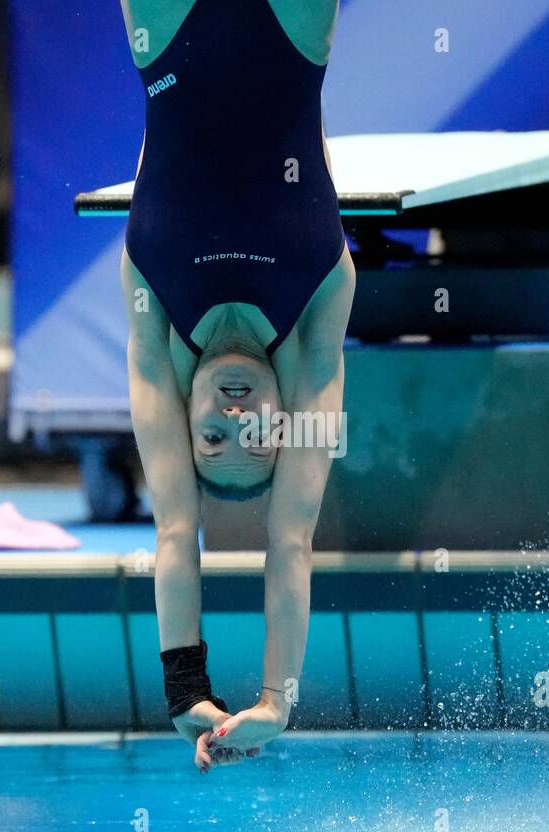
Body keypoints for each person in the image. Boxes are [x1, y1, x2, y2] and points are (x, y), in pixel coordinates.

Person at [118, 0, 354, 771]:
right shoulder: (315, 323)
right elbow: (290, 540)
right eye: (255, 436)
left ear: (182, 418)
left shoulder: (159, 335)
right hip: (287, 29)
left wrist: (185, 689)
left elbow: (176, 532)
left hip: (171, 25)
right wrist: (277, 700)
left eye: (211, 437)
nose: (233, 418)